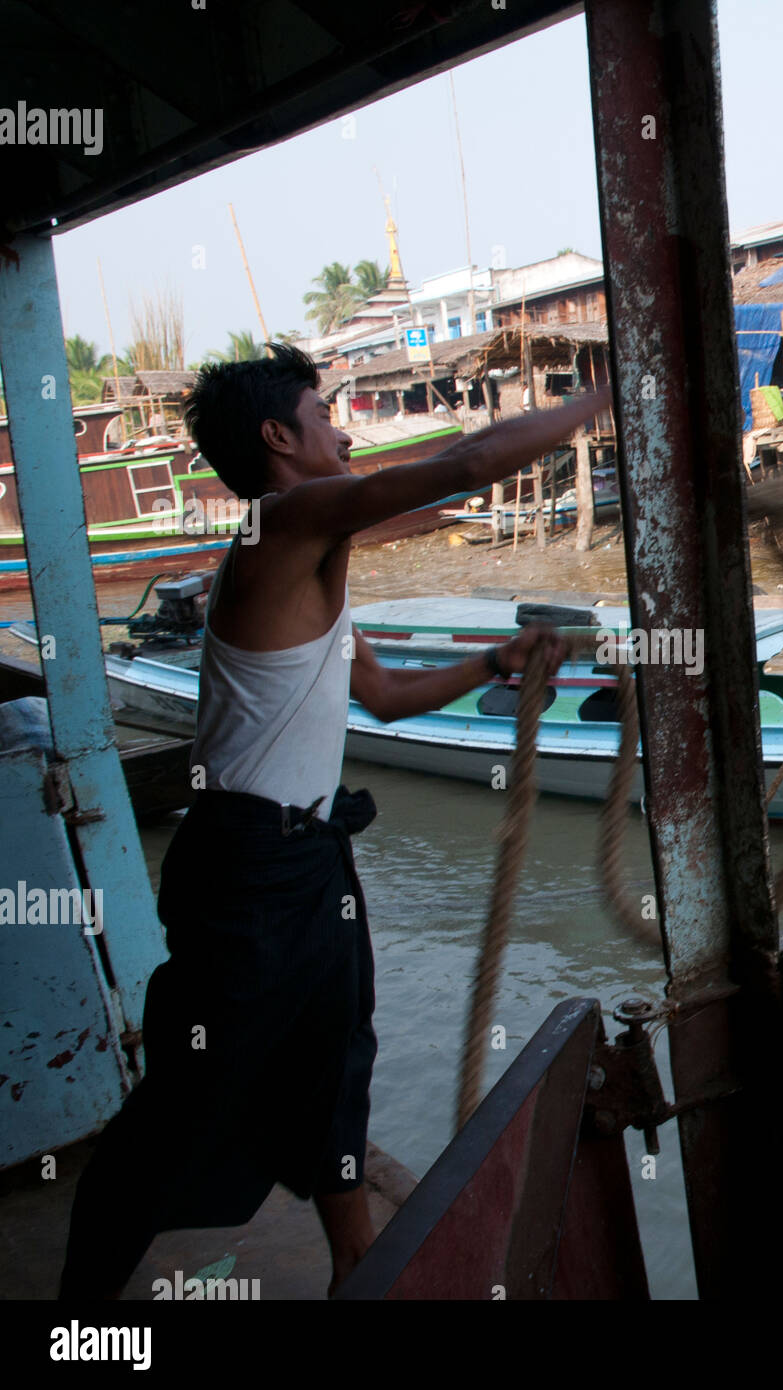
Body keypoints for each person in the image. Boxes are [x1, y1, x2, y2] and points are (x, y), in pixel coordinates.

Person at [60, 343, 609, 1299]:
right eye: (325, 415)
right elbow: (466, 464)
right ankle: (80, 1304)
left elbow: (389, 697)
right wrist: (603, 395)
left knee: (336, 1069)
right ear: (279, 439)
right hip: (246, 870)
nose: (345, 430)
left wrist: (493, 663)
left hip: (305, 859)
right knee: (191, 1103)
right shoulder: (285, 520)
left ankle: (354, 1263)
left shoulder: (312, 558)